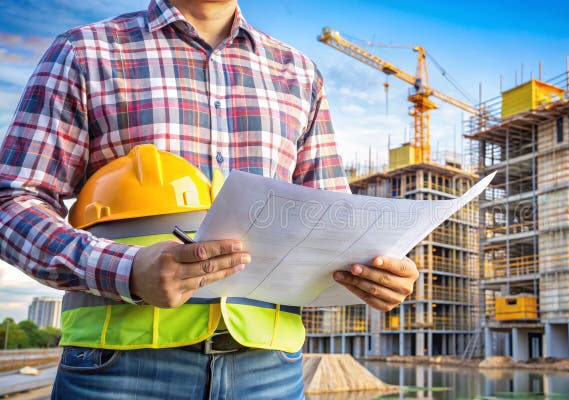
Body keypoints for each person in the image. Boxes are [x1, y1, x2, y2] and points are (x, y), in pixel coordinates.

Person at [0, 0, 419, 398]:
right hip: (118, 366)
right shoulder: (85, 52)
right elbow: (13, 202)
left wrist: (379, 269)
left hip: (270, 367)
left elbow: (334, 220)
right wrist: (126, 271)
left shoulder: (299, 73)